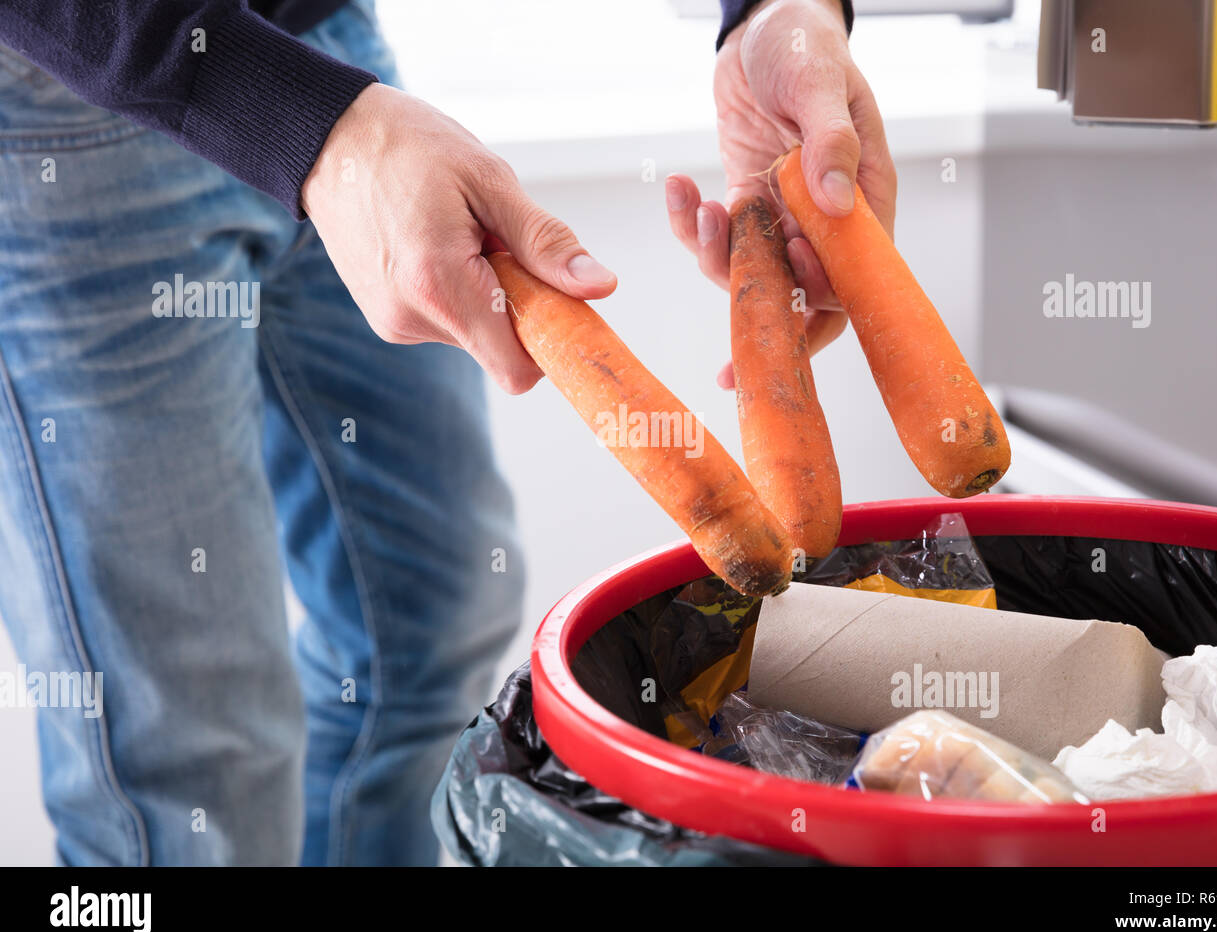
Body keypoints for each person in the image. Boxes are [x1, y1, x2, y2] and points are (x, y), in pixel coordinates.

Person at [0, 0, 896, 865]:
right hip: (65, 89)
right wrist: (316, 126)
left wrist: (772, 10)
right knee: (192, 746)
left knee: (432, 628)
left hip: (321, 49)